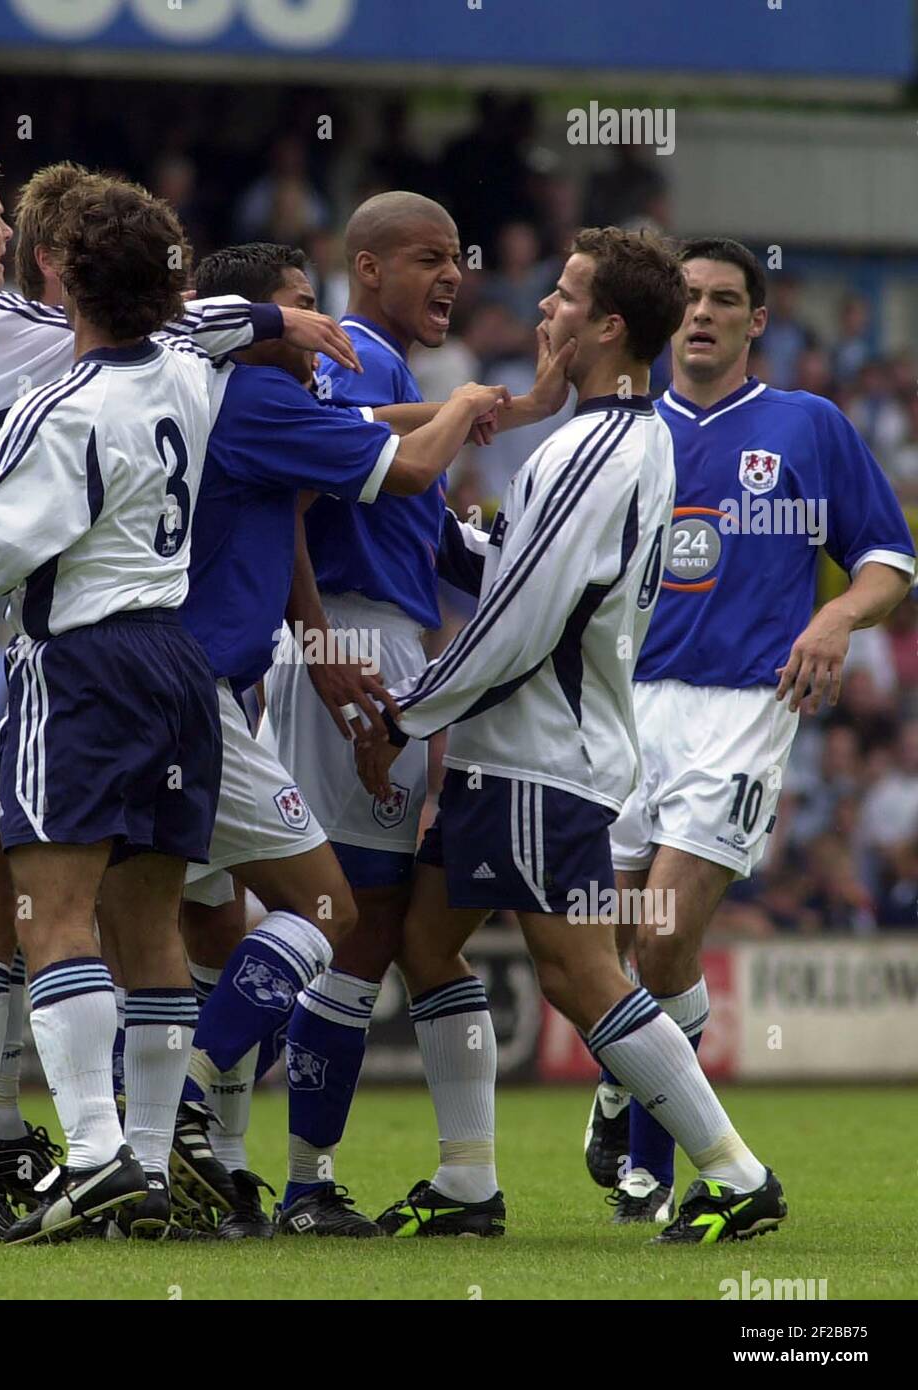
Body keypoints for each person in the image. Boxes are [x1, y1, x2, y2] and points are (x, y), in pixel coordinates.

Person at [0, 150, 357, 1240]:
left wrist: (254, 316)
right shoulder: (116, 361)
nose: (10, 242)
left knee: (18, 913)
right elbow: (171, 325)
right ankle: (25, 1154)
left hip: (25, 644)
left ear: (69, 275)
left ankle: (3, 1155)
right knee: (85, 919)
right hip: (127, 652)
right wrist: (267, 319)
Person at [359, 227, 788, 1246]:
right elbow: (518, 574)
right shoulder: (615, 437)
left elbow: (521, 622)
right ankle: (466, 1181)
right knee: (426, 941)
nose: (543, 308)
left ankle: (736, 1174)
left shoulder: (592, 450)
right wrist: (425, 524)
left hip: (538, 755)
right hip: (525, 749)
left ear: (605, 327)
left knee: (577, 972)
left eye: (563, 295)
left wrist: (405, 713)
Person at [157, 241, 569, 1237]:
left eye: (456, 258)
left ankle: (228, 1165)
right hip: (345, 643)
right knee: (347, 920)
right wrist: (321, 641)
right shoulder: (345, 355)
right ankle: (241, 1148)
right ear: (367, 269)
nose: (452, 275)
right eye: (428, 257)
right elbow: (326, 489)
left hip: (289, 654)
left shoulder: (322, 376)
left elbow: (390, 482)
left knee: (260, 922)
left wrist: (514, 404)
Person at [584, 237, 915, 1224]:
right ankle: (623, 1087)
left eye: (724, 299)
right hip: (620, 704)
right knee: (608, 945)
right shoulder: (623, 428)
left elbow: (888, 560)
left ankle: (668, 1168)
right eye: (688, 296)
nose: (702, 313)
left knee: (664, 938)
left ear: (755, 321)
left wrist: (835, 616)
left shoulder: (807, 425)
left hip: (741, 707)